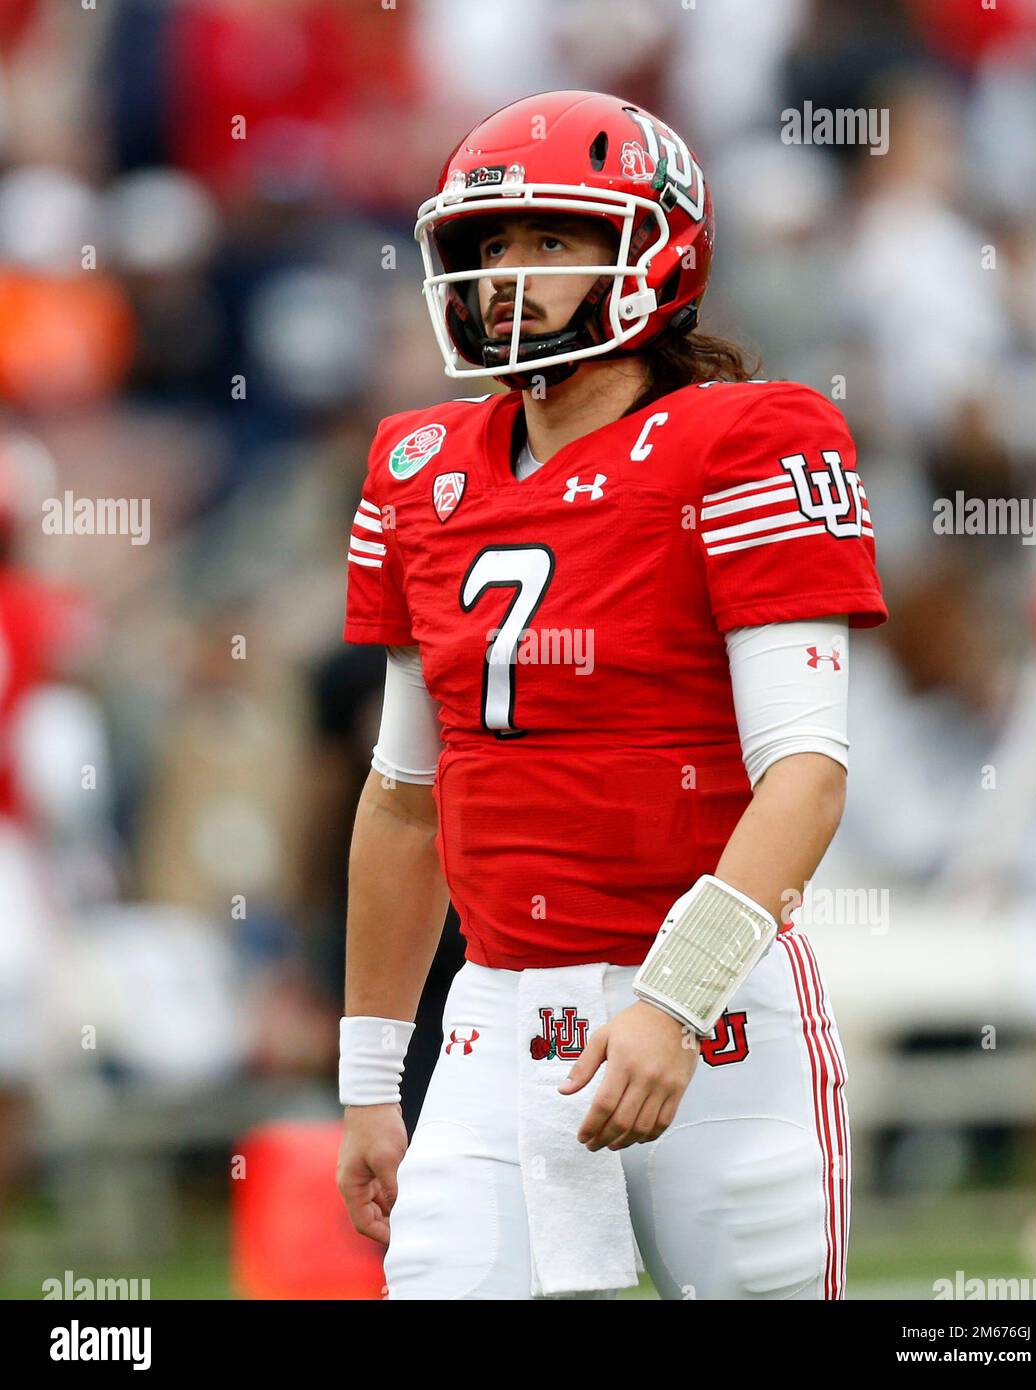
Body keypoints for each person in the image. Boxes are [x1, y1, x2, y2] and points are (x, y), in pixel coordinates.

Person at [336, 89, 887, 1300]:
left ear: (652, 250)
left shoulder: (744, 439)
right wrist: (373, 1077)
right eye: (489, 248)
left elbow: (805, 769)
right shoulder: (417, 466)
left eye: (550, 241)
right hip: (493, 1021)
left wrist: (672, 1000)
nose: (505, 277)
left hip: (718, 1016)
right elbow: (402, 797)